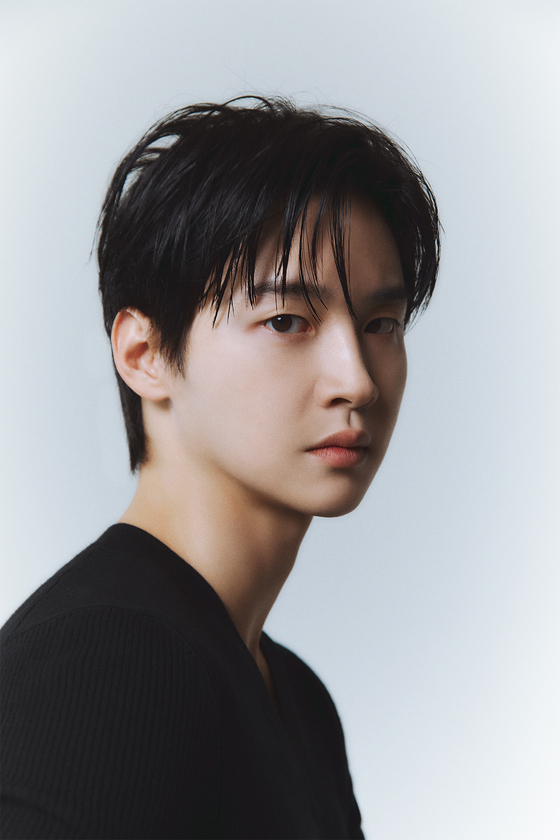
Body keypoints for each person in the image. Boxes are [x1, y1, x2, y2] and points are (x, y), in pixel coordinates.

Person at [0, 96, 440, 839]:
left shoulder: (297, 701)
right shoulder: (105, 661)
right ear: (144, 354)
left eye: (380, 324)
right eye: (286, 321)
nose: (357, 381)